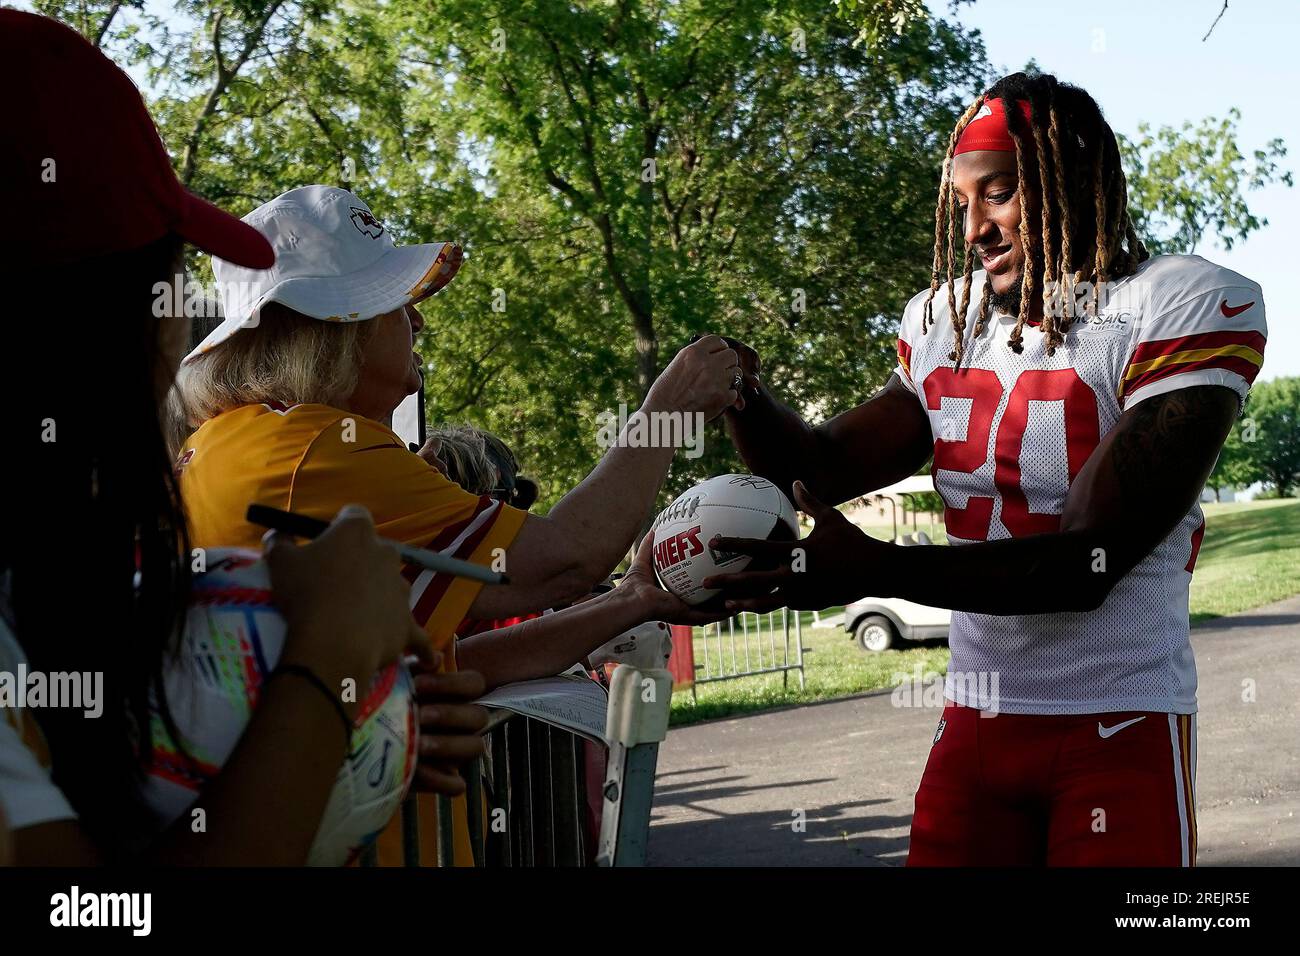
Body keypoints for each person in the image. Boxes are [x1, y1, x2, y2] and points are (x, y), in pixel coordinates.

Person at [708, 72, 1266, 866]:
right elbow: (820, 470)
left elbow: (1087, 562)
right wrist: (740, 391)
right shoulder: (946, 323)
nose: (975, 228)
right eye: (962, 204)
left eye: (999, 195)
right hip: (976, 723)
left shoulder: (1173, 303)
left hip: (1119, 721)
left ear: (1069, 183)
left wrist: (878, 567)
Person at [0, 11, 476, 865]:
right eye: (162, 283)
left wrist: (336, 735)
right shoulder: (310, 442)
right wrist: (322, 665)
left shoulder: (41, 584)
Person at [170, 184, 737, 863]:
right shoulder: (318, 447)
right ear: (336, 324)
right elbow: (568, 558)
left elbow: (452, 666)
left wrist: (634, 599)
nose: (419, 325)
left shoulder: (235, 444)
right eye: (399, 304)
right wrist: (667, 408)